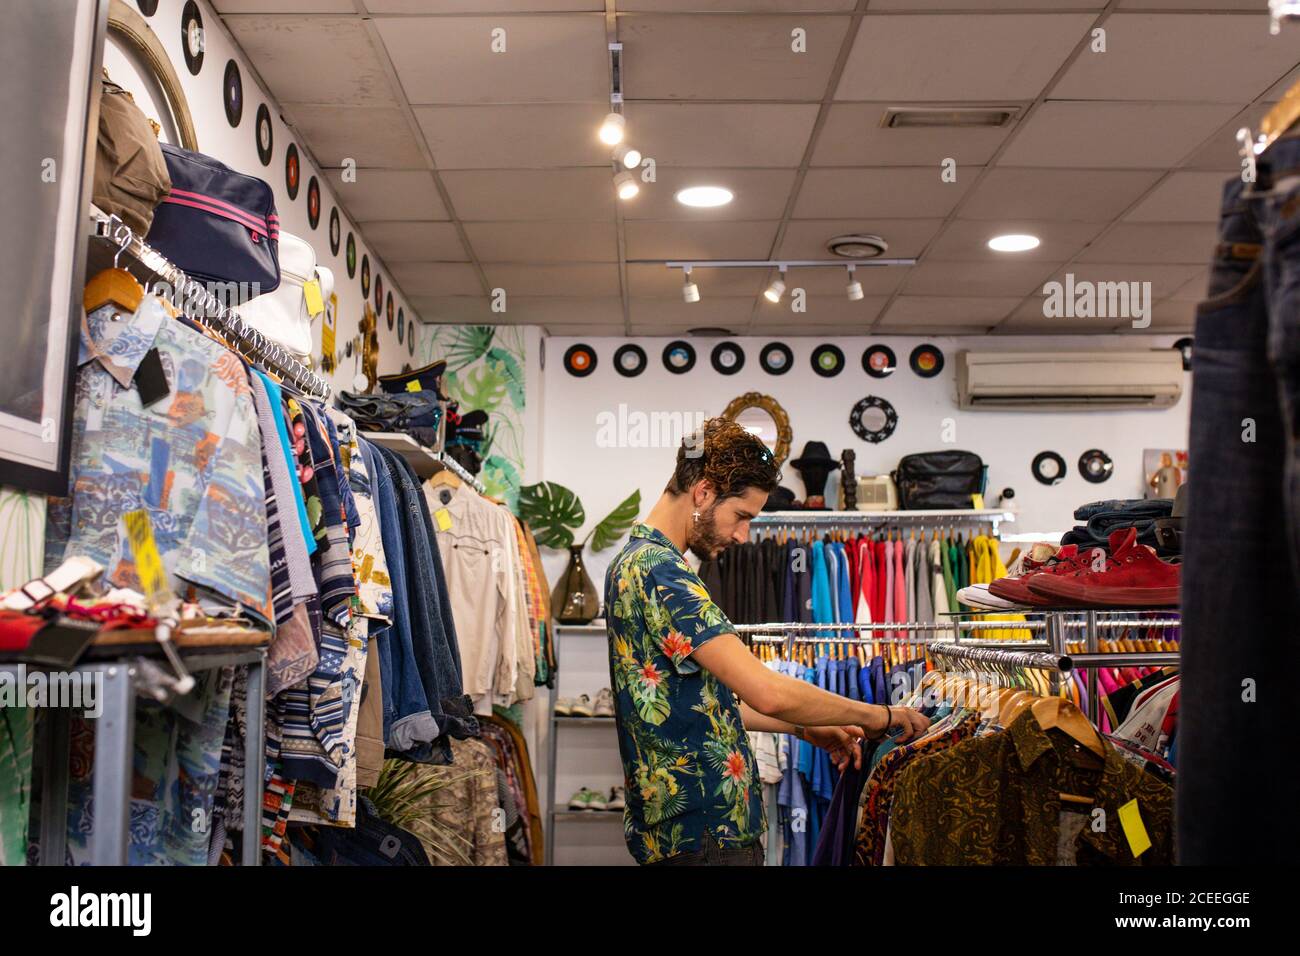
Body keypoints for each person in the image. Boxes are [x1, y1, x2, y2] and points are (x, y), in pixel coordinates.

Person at [604, 418, 930, 866]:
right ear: (703, 492)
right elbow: (768, 692)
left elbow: (703, 703)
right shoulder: (664, 574)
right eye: (741, 517)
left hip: (684, 832)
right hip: (706, 834)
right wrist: (881, 715)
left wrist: (804, 728)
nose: (742, 536)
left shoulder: (633, 563)